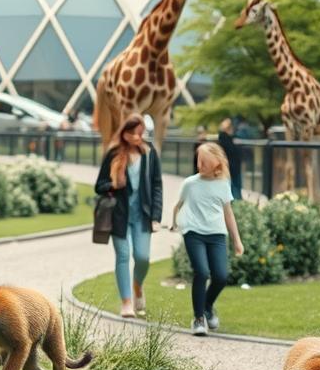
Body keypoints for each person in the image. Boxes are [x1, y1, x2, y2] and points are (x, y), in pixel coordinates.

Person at [169, 142, 244, 336]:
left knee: (221, 276)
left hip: (216, 234)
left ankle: (207, 307)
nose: (199, 165)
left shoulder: (223, 184)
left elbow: (228, 214)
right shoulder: (190, 184)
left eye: (204, 162)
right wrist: (174, 223)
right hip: (193, 232)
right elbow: (178, 205)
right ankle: (198, 318)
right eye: (198, 160)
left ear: (216, 164)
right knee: (202, 272)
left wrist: (237, 241)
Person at [94, 113, 163, 318]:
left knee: (143, 258)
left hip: (143, 216)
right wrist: (113, 184)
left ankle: (138, 286)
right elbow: (99, 185)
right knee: (123, 256)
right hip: (119, 216)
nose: (136, 137)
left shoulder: (150, 153)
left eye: (139, 133)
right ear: (124, 133)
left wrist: (156, 216)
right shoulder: (114, 153)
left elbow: (157, 186)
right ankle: (126, 302)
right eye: (131, 133)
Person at [217, 117, 243, 200]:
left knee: (234, 188)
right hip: (230, 168)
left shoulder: (231, 138)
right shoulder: (224, 138)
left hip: (233, 167)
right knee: (233, 189)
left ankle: (236, 203)